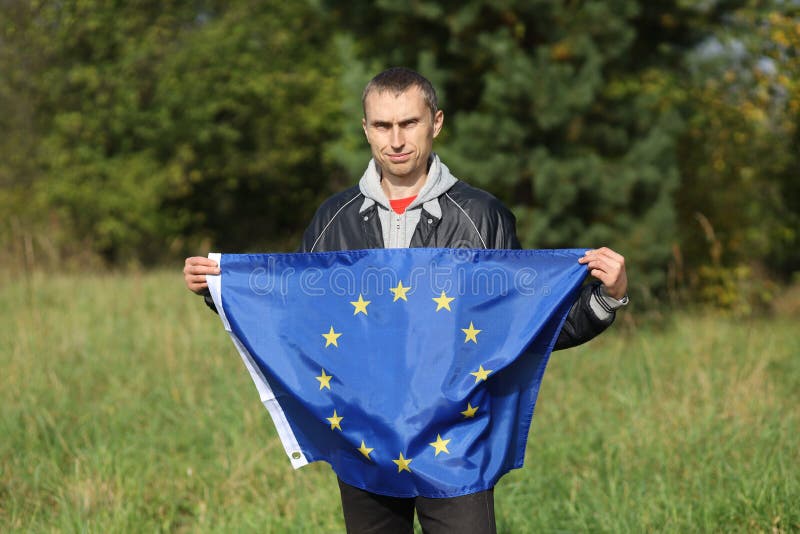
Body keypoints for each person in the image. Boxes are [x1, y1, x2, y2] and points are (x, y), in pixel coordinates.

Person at [183, 67, 628, 533]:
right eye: (382, 126)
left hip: (456, 446)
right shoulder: (332, 220)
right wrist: (220, 290)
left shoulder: (482, 217)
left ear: (435, 122)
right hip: (364, 442)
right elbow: (297, 321)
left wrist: (607, 297)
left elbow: (524, 331)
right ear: (366, 129)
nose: (395, 140)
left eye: (408, 123)